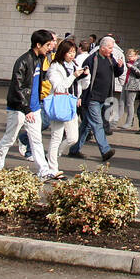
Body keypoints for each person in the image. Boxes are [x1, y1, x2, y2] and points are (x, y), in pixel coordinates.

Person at [0, 29, 57, 179]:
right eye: (47, 45)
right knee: (9, 138)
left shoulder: (40, 59)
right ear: (38, 44)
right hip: (19, 108)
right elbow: (17, 87)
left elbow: (41, 78)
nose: (50, 47)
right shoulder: (23, 61)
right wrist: (26, 109)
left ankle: (44, 171)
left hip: (34, 107)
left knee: (36, 141)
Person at [67, 34, 124, 162]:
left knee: (86, 125)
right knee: (98, 123)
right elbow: (83, 78)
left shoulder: (110, 58)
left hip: (104, 97)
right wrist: (80, 96)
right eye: (109, 48)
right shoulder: (92, 59)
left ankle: (74, 149)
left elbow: (116, 72)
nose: (111, 50)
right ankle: (105, 150)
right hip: (92, 98)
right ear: (102, 47)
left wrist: (120, 67)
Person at [46, 38, 89, 177]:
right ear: (62, 52)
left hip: (71, 104)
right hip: (59, 103)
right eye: (69, 52)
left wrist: (85, 76)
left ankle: (54, 155)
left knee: (72, 138)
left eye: (74, 52)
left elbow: (82, 86)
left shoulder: (75, 65)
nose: (72, 55)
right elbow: (59, 87)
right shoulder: (55, 67)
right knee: (56, 136)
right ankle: (53, 168)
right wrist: (73, 76)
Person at [120, 49, 140, 131]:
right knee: (122, 102)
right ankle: (118, 120)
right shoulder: (129, 62)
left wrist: (132, 67)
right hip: (126, 83)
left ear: (135, 56)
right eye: (128, 56)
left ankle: (129, 122)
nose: (129, 58)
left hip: (133, 85)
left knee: (130, 104)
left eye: (131, 56)